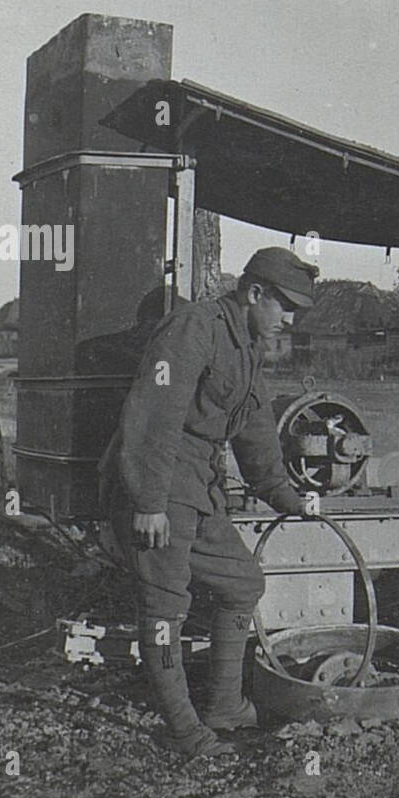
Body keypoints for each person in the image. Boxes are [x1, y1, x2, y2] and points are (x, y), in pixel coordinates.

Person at [99, 247, 318, 756]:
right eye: (285, 306)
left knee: (243, 582)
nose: (289, 319)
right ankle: (183, 732)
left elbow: (258, 435)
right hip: (159, 482)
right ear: (255, 293)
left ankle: (224, 706)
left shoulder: (248, 347)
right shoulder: (193, 328)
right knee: (165, 607)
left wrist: (289, 498)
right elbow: (156, 412)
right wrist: (148, 502)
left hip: (198, 488)